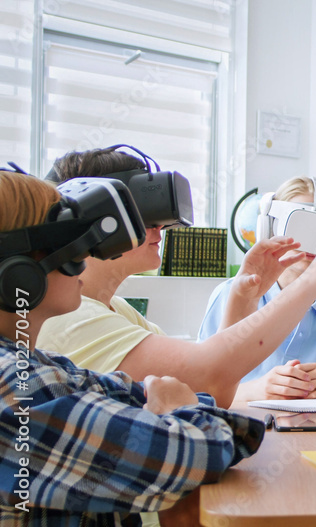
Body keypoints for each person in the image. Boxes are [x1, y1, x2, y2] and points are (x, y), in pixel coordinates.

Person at [0, 169, 263, 525]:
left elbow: (206, 407)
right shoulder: (20, 387)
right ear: (18, 274)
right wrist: (182, 411)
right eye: (69, 254)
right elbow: (206, 449)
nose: (82, 261)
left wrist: (182, 408)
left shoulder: (44, 367)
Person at [38, 148, 316, 408]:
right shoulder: (68, 316)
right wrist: (312, 282)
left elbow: (214, 387)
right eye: (140, 213)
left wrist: (243, 295)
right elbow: (210, 380)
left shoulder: (118, 310)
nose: (160, 228)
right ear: (94, 219)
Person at [198, 176, 316, 402]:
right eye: (301, 226)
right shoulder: (233, 294)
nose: (312, 243)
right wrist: (258, 391)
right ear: (271, 228)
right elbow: (198, 395)